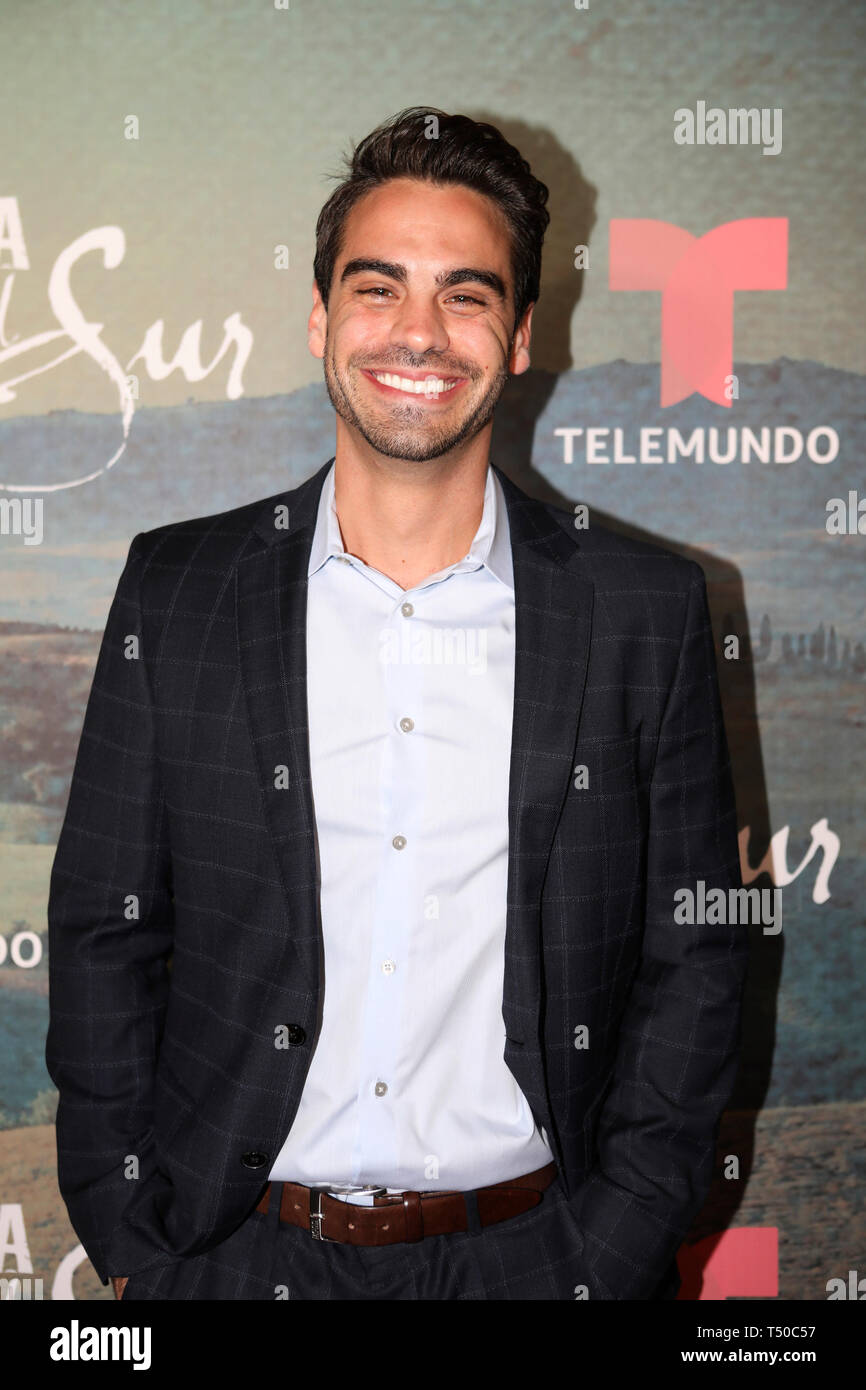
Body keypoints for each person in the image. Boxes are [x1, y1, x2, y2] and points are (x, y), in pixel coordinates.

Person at [46, 106, 748, 1301]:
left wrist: (620, 1238)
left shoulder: (644, 609)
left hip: (538, 1258)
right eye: (378, 288)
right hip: (232, 1259)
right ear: (320, 316)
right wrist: (137, 1247)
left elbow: (695, 951)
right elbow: (106, 934)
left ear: (520, 336)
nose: (418, 331)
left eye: (466, 295)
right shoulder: (180, 589)